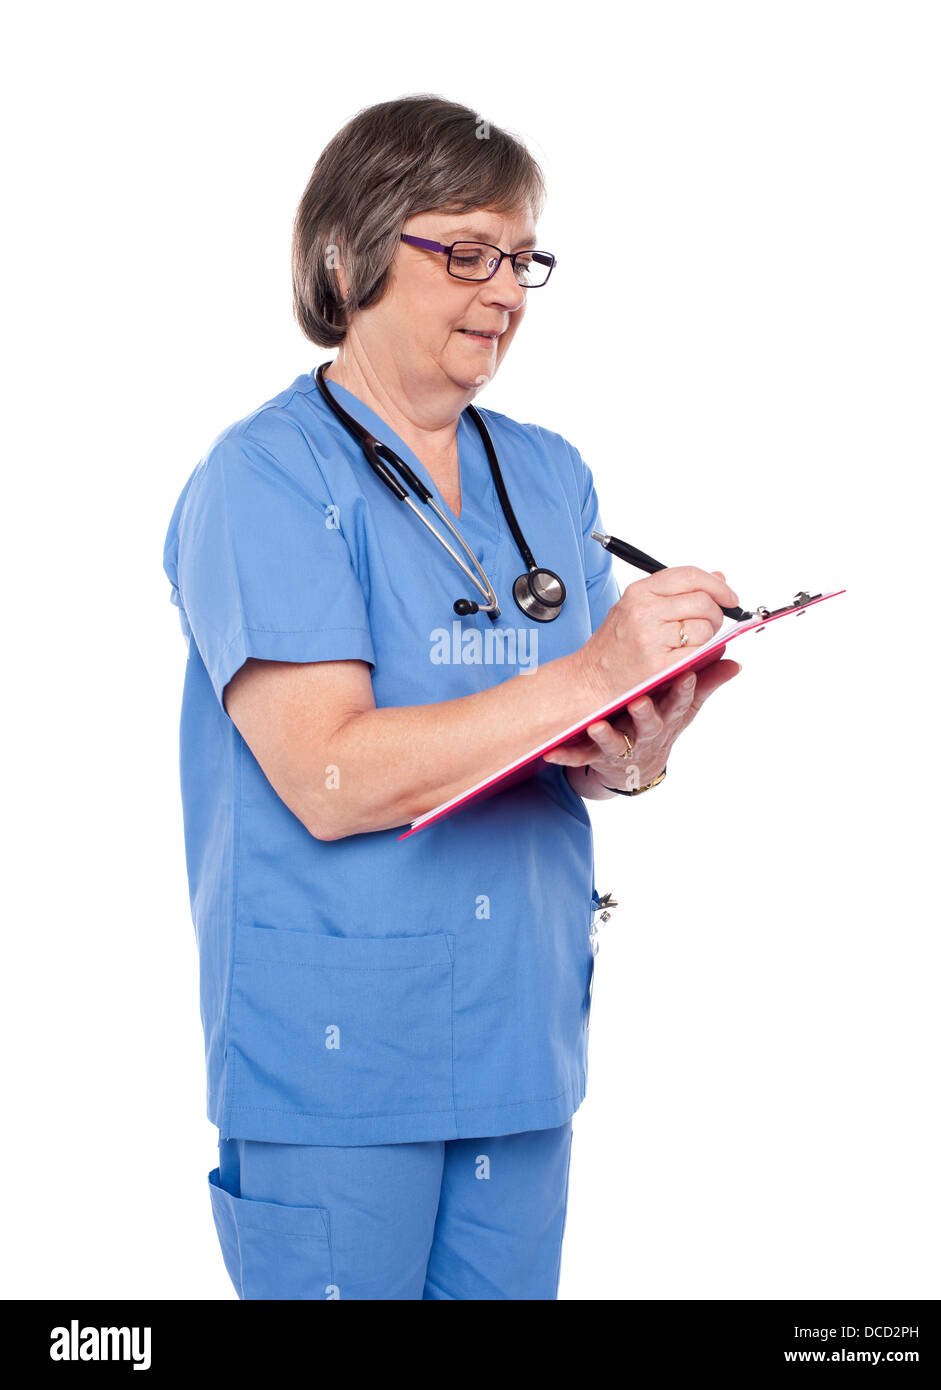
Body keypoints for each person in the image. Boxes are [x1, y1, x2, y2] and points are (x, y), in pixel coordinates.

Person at [162, 94, 741, 1301]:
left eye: (522, 256)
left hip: (518, 1038)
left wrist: (637, 741)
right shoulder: (263, 478)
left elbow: (575, 743)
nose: (507, 289)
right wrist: (587, 673)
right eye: (466, 253)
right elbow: (329, 777)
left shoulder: (544, 469)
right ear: (346, 255)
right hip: (338, 1060)